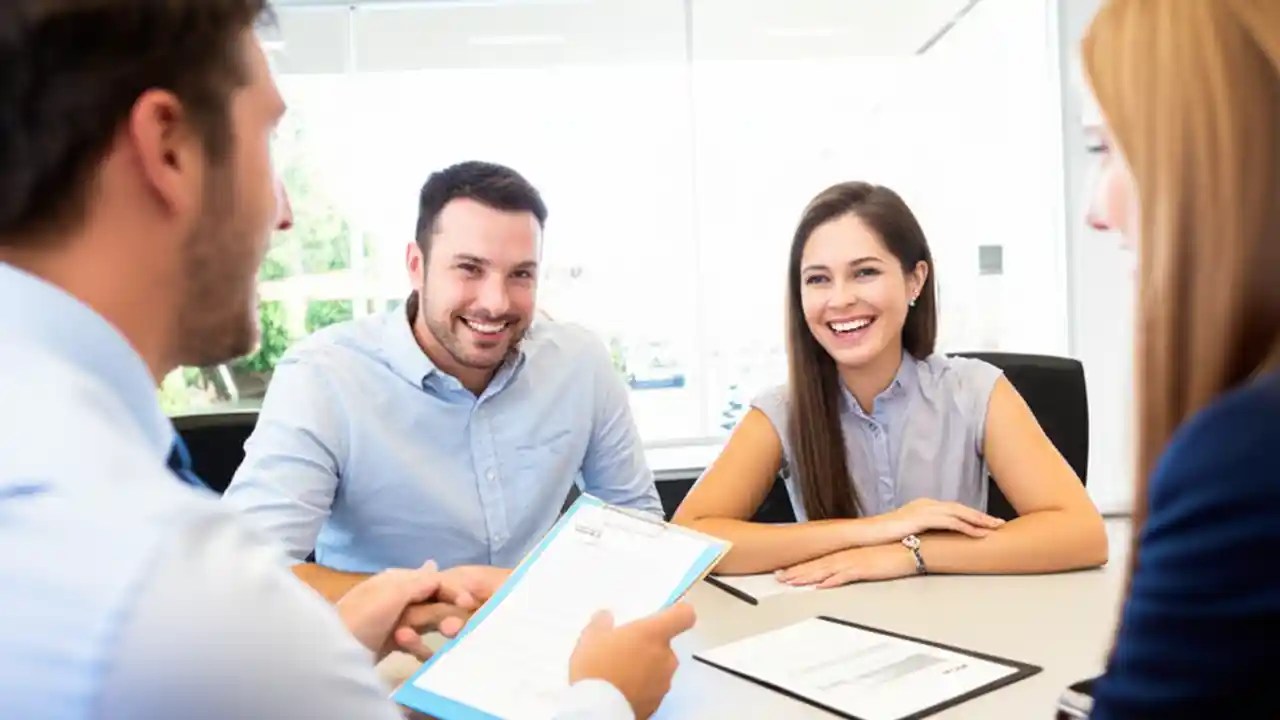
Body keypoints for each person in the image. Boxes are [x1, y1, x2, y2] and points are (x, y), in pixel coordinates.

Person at [0, 2, 691, 719]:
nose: (285, 211)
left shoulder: (63, 465)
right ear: (167, 148)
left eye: (521, 273)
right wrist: (608, 697)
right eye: (267, 140)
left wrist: (341, 626)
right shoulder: (162, 580)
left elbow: (636, 529)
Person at [223, 160, 663, 601]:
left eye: (520, 274)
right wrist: (427, 595)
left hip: (539, 635)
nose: (495, 302)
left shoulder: (578, 362)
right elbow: (247, 571)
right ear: (417, 266)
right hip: (390, 647)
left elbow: (639, 528)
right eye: (470, 269)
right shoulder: (325, 376)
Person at [672, 181, 1108, 585]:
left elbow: (1083, 534)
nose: (840, 299)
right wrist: (873, 531)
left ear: (915, 279)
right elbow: (688, 542)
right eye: (818, 279)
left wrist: (911, 553)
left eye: (865, 272)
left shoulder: (974, 391)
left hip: (963, 634)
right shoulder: (780, 412)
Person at [1078, 0, 1280, 716]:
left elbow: (1071, 526)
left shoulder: (1248, 455)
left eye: (1107, 148)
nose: (1095, 211)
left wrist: (900, 544)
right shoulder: (782, 406)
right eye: (816, 279)